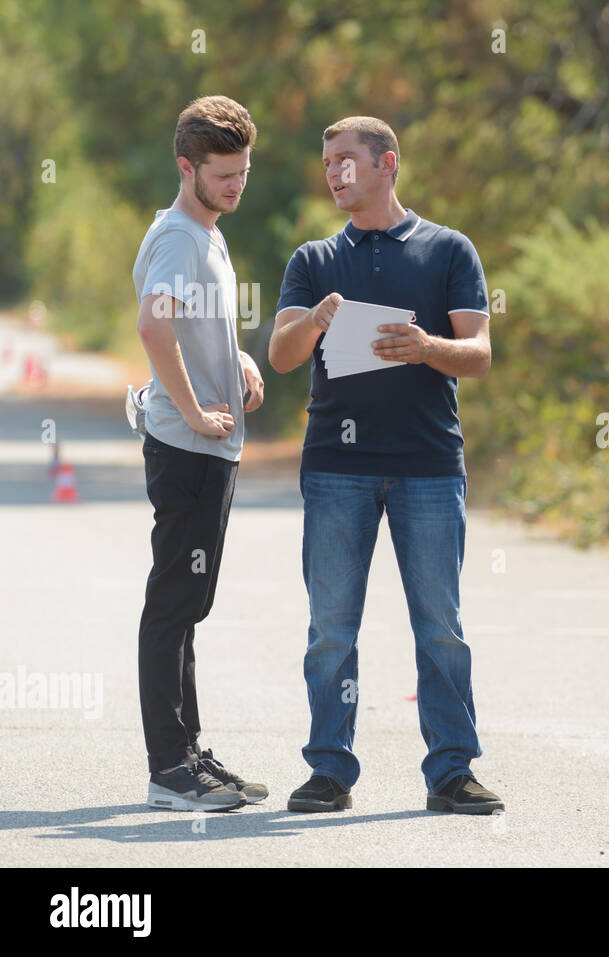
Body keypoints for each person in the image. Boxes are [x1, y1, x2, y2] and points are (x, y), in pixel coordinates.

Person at [268, 116, 502, 814]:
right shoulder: (313, 260)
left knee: (440, 626)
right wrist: (316, 321)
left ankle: (452, 770)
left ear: (387, 163)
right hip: (336, 466)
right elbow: (282, 356)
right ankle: (330, 770)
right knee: (331, 628)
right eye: (327, 161)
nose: (335, 171)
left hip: (429, 465)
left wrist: (428, 346)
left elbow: (481, 353)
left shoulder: (448, 249)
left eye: (347, 160)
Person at [132, 95, 268, 809]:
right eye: (223, 175)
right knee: (174, 603)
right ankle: (169, 769)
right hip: (188, 449)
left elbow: (187, 324)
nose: (236, 186)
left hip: (206, 448)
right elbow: (154, 328)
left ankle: (189, 753)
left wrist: (235, 358)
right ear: (187, 167)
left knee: (189, 603)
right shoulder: (182, 237)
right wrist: (192, 411)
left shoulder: (205, 231)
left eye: (243, 172)